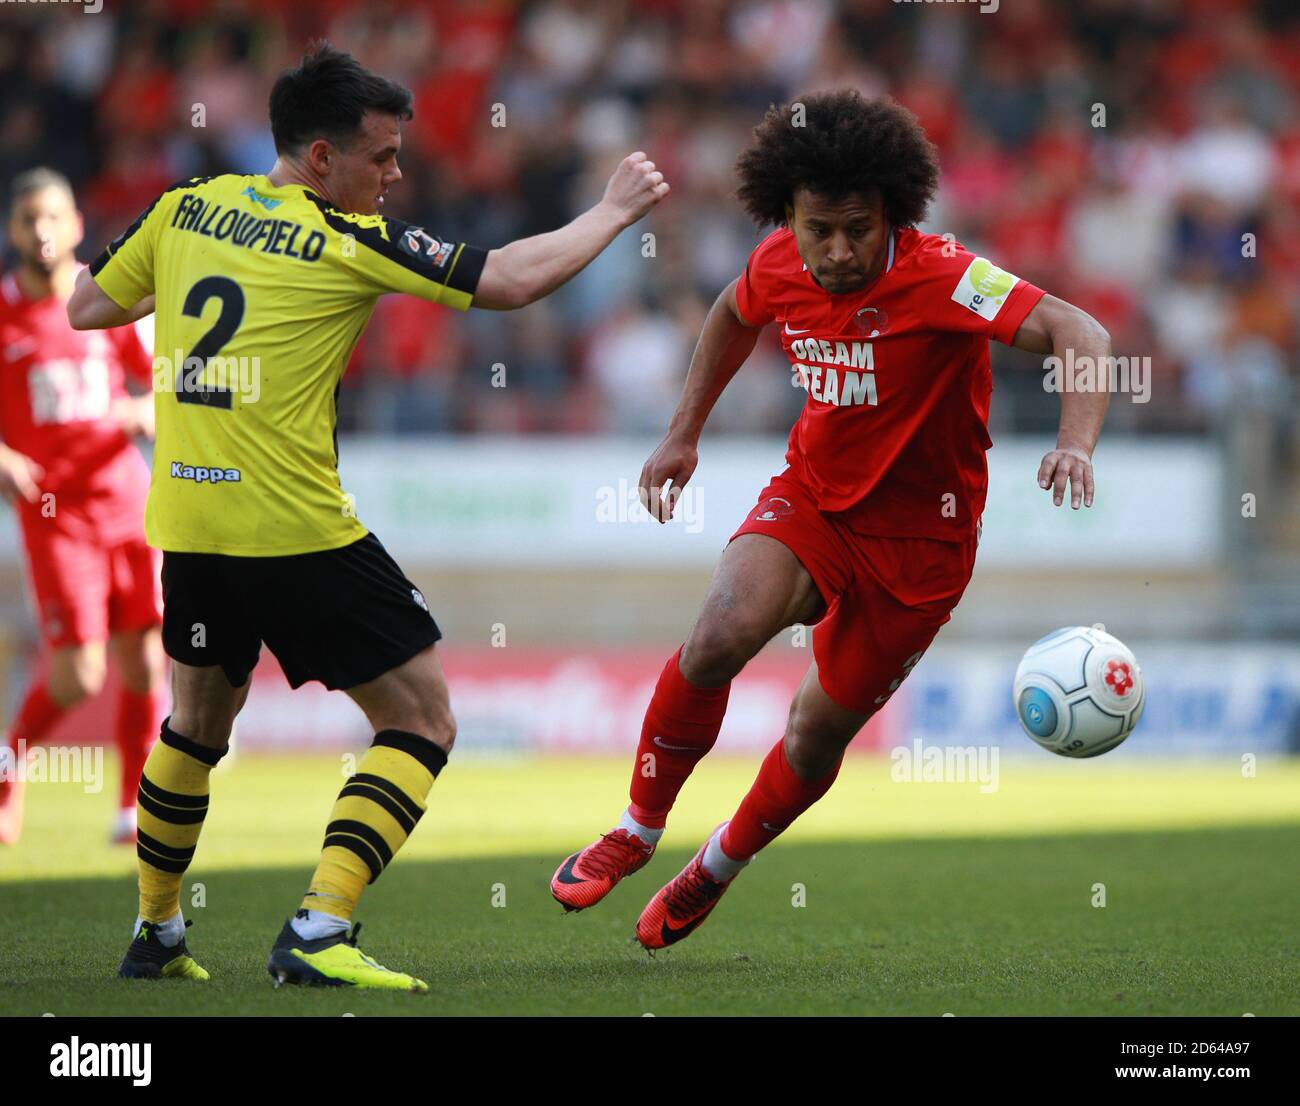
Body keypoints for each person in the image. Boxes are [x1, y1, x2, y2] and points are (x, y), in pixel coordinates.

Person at [67, 41, 668, 990]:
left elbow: (87, 305)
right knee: (423, 718)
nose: (395, 176)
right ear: (320, 160)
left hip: (188, 524)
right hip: (295, 528)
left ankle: (157, 934)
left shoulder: (185, 208)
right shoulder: (346, 238)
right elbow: (509, 279)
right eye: (381, 157)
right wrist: (612, 211)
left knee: (194, 727)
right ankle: (318, 928)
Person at [550, 91, 1110, 950]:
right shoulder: (777, 260)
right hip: (811, 499)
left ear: (894, 213)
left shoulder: (946, 275)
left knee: (813, 737)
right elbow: (733, 317)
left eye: (859, 228)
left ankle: (715, 868)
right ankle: (635, 828)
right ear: (790, 218)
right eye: (821, 231)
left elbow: (1080, 330)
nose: (841, 251)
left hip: (921, 548)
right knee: (717, 637)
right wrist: (681, 433)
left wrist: (1077, 442)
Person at [0, 168, 163, 847]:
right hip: (55, 516)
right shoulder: (5, 312)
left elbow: (168, 383)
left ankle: (133, 807)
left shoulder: (103, 296)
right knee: (79, 673)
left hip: (127, 502)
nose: (42, 230)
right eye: (28, 218)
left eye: (53, 217)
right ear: (13, 230)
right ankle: (9, 772)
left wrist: (142, 409)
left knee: (148, 661)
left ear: (75, 227)